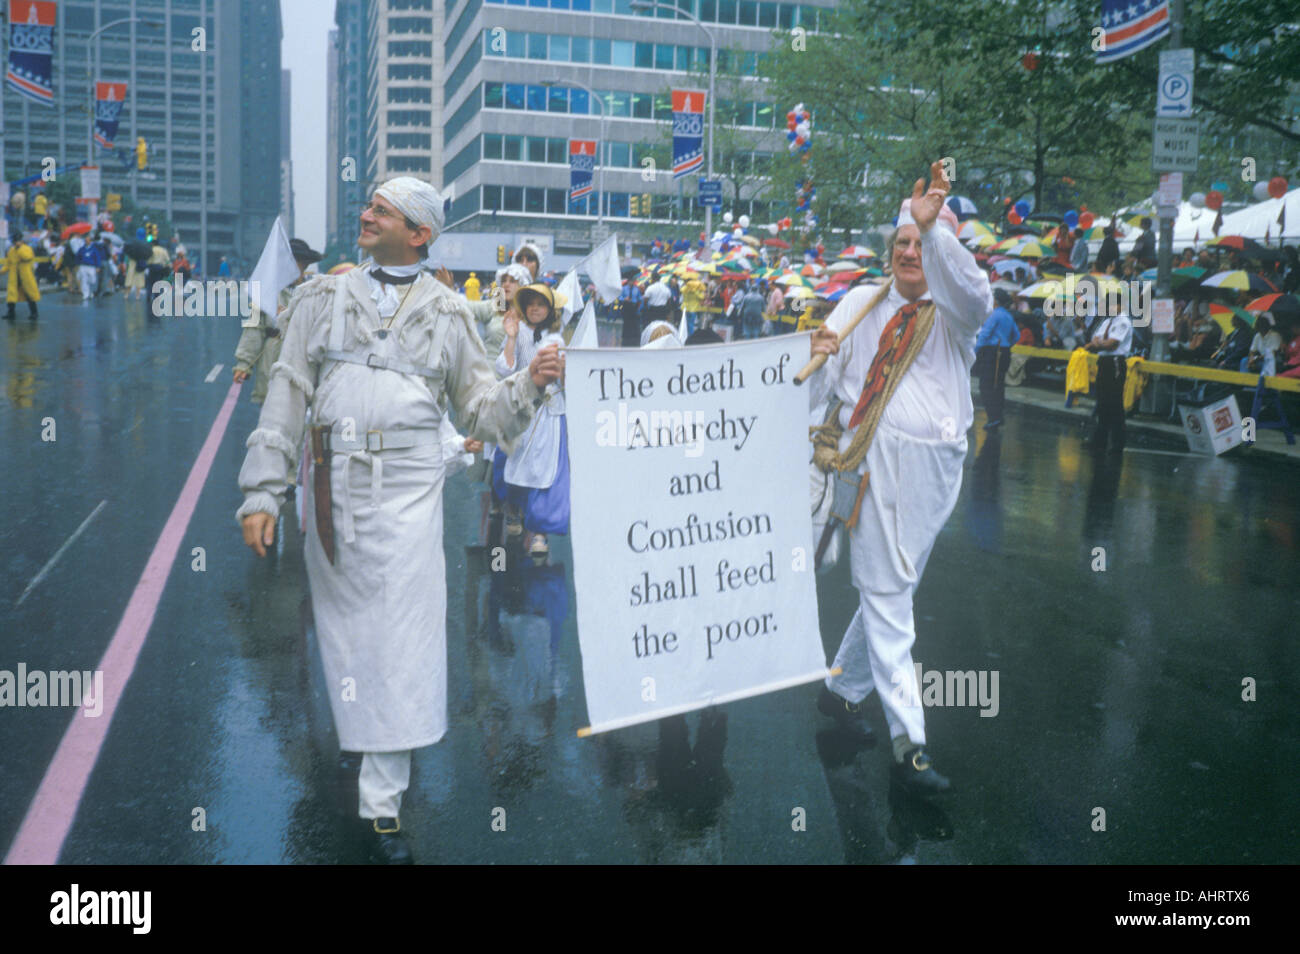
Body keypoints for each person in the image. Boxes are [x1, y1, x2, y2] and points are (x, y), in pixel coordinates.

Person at [236, 176, 562, 864]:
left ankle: (384, 805)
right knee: (351, 640)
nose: (366, 213)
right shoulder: (320, 298)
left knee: (404, 640)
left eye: (381, 209)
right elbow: (288, 394)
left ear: (418, 232)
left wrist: (530, 384)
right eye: (370, 204)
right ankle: (359, 745)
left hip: (411, 496)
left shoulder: (449, 312)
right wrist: (262, 491)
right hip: (333, 490)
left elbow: (480, 412)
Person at [807, 160, 991, 796]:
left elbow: (977, 295)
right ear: (890, 251)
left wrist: (934, 227)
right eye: (903, 242)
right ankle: (909, 744)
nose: (911, 251)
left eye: (923, 243)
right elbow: (814, 390)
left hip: (937, 474)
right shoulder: (861, 305)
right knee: (889, 599)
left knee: (893, 587)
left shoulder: (953, 312)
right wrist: (818, 355)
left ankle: (841, 689)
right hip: (872, 468)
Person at [494, 281, 568, 561]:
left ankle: (540, 532)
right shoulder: (519, 332)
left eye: (541, 305)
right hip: (521, 407)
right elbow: (504, 368)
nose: (535, 309)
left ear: (550, 310)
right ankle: (514, 509)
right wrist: (511, 337)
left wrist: (563, 371)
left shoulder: (557, 340)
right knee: (516, 464)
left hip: (549, 411)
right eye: (531, 304)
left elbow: (565, 379)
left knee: (544, 471)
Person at [233, 238, 324, 403]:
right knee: (271, 406)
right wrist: (243, 363)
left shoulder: (314, 293)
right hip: (272, 354)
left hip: (301, 355)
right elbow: (254, 328)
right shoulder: (267, 293)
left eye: (300, 264)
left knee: (300, 404)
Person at [1080, 277, 1132, 455]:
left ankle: (1117, 443)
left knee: (1114, 402)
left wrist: (1099, 344)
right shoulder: (1107, 321)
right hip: (1104, 362)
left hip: (1115, 362)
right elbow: (1096, 338)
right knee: (1102, 400)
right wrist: (1100, 343)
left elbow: (1112, 344)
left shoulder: (1123, 321)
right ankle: (1099, 440)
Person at [975, 288, 1018, 429]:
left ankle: (993, 417)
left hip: (993, 352)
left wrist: (976, 351)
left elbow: (984, 335)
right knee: (998, 385)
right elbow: (1016, 336)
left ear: (996, 301)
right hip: (1004, 351)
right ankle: (997, 416)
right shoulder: (1008, 316)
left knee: (986, 385)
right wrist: (1006, 344)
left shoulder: (994, 315)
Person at [3, 236, 41, 322]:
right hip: (14, 276)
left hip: (25, 276)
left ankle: (34, 313)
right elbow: (8, 264)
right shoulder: (11, 250)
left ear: (21, 241)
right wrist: (1, 271)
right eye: (15, 241)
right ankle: (11, 313)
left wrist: (19, 249)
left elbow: (27, 257)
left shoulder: (27, 249)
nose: (16, 243)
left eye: (17, 241)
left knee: (29, 295)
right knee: (11, 295)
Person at [1243, 312, 1282, 376]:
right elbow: (1252, 351)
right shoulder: (1257, 336)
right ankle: (1244, 381)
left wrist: (1255, 359)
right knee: (1244, 361)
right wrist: (1251, 359)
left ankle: (1261, 384)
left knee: (1266, 364)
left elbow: (1273, 353)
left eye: (1261, 325)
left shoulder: (1275, 335)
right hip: (1259, 360)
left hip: (1272, 360)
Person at [144, 241, 172, 313]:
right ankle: (156, 297)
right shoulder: (163, 250)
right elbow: (167, 260)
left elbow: (147, 259)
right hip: (160, 268)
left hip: (152, 267)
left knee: (150, 282)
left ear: (153, 244)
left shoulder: (151, 249)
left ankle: (149, 295)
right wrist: (168, 267)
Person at [76, 236, 104, 301]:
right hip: (83, 266)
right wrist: (77, 265)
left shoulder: (94, 249)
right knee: (84, 280)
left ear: (90, 241)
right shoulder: (82, 249)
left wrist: (98, 266)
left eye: (88, 240)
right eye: (85, 240)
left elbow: (97, 258)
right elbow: (78, 257)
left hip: (91, 267)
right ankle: (85, 294)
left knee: (92, 280)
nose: (86, 241)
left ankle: (91, 291)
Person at [681, 271, 708, 336]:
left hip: (685, 308)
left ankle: (686, 336)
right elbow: (702, 297)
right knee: (691, 324)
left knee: (686, 324)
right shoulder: (696, 290)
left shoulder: (684, 288)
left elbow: (682, 292)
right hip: (693, 309)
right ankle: (691, 337)